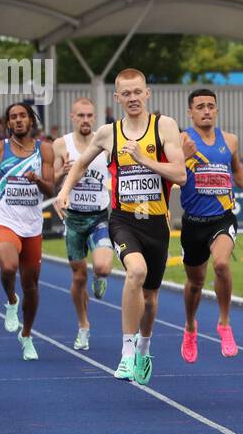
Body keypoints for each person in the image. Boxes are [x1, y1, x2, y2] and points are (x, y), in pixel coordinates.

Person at [55, 69, 185, 385]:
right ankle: (127, 353)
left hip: (156, 222)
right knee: (135, 272)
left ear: (147, 93)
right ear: (117, 98)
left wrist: (143, 159)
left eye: (137, 92)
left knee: (151, 299)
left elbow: (180, 174)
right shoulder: (108, 133)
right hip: (124, 220)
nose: (132, 98)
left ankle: (144, 345)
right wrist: (64, 190)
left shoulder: (164, 126)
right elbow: (82, 162)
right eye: (125, 93)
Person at [0, 102, 54, 361]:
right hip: (7, 220)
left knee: (32, 287)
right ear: (8, 123)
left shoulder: (43, 150)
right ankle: (11, 301)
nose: (18, 120)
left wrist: (37, 180)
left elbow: (51, 190)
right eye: (13, 117)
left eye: (22, 116)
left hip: (32, 226)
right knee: (7, 268)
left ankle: (26, 335)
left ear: (30, 120)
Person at [177, 88, 243, 363]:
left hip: (222, 218)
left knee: (222, 264)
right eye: (200, 106)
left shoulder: (230, 140)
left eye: (211, 106)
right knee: (195, 282)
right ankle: (190, 326)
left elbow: (235, 169)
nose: (206, 111)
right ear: (190, 112)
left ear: (217, 109)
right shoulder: (182, 140)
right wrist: (184, 157)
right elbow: (173, 176)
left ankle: (224, 323)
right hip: (193, 223)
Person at [53, 96, 114, 350]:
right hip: (74, 219)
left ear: (95, 117)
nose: (86, 120)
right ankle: (83, 326)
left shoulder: (106, 142)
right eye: (81, 116)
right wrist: (61, 173)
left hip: (99, 216)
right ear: (72, 117)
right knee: (78, 278)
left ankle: (100, 277)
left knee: (102, 267)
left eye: (90, 115)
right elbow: (52, 180)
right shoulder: (61, 144)